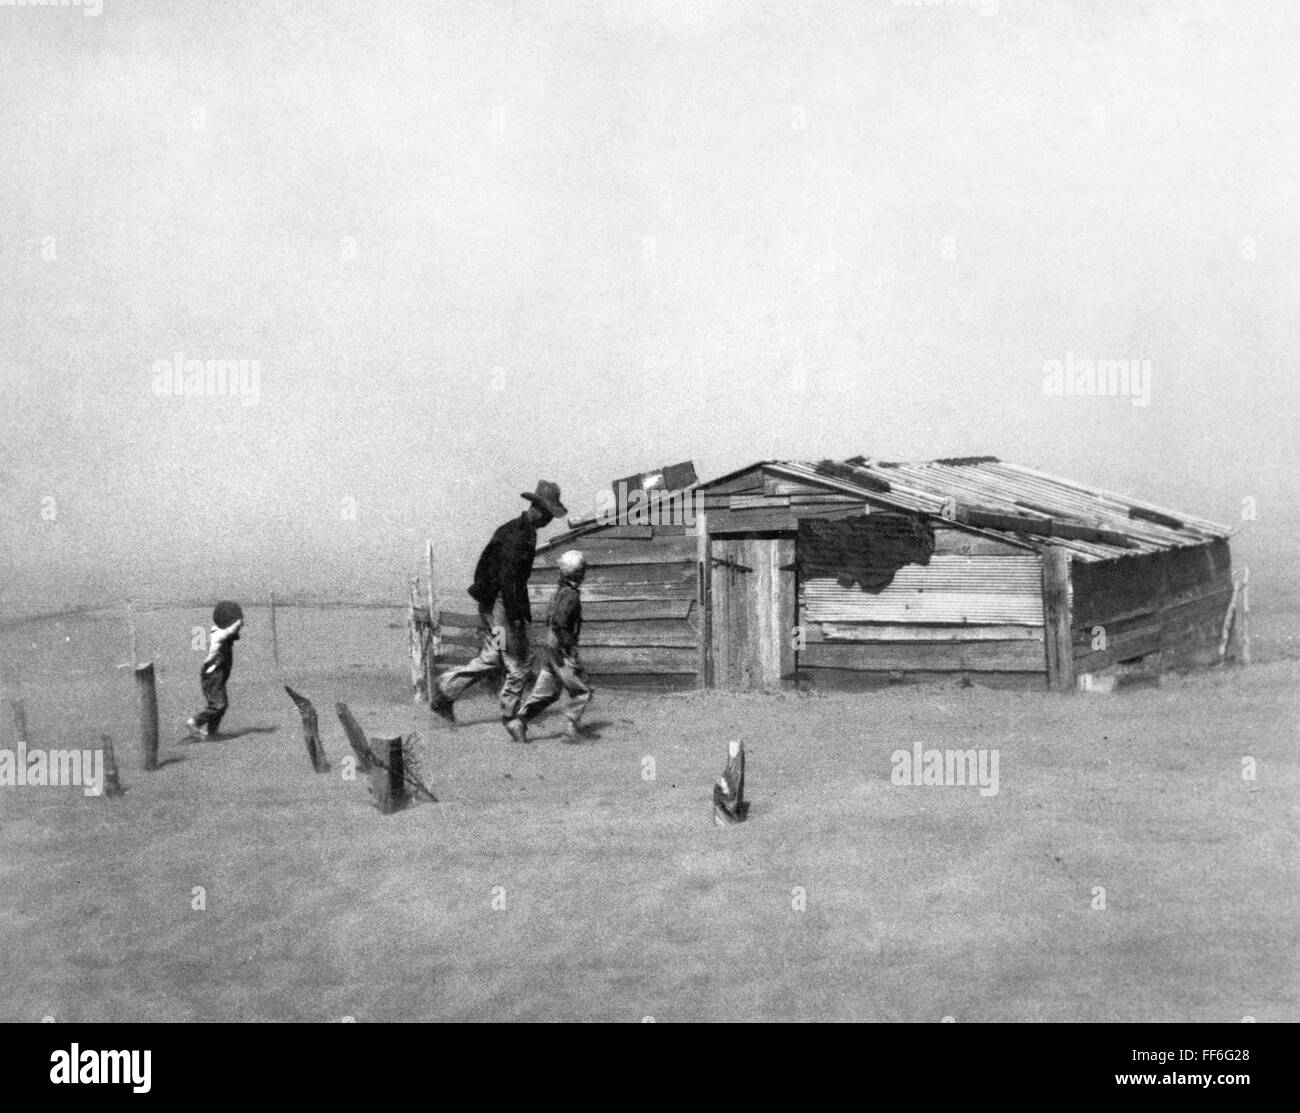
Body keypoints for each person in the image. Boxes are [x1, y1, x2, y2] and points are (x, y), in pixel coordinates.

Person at [430, 480, 567, 741]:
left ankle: (445, 692)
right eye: (548, 515)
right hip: (503, 605)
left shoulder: (516, 529)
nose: (549, 520)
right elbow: (510, 581)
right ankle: (510, 716)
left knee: (494, 655)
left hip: (494, 605)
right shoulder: (520, 535)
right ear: (537, 508)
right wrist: (515, 619)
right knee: (519, 662)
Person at [517, 549, 594, 742]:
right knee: (582, 690)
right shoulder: (572, 595)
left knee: (547, 692)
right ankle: (571, 729)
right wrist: (566, 650)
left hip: (551, 650)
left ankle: (519, 721)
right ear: (580, 573)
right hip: (562, 650)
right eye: (583, 570)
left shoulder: (558, 593)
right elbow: (560, 622)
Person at [187, 601, 244, 740]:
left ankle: (213, 732)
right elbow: (230, 631)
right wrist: (239, 621)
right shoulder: (218, 634)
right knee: (219, 704)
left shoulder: (226, 634)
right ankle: (195, 722)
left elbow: (233, 633)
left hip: (219, 676)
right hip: (212, 676)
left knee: (221, 705)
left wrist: (238, 622)